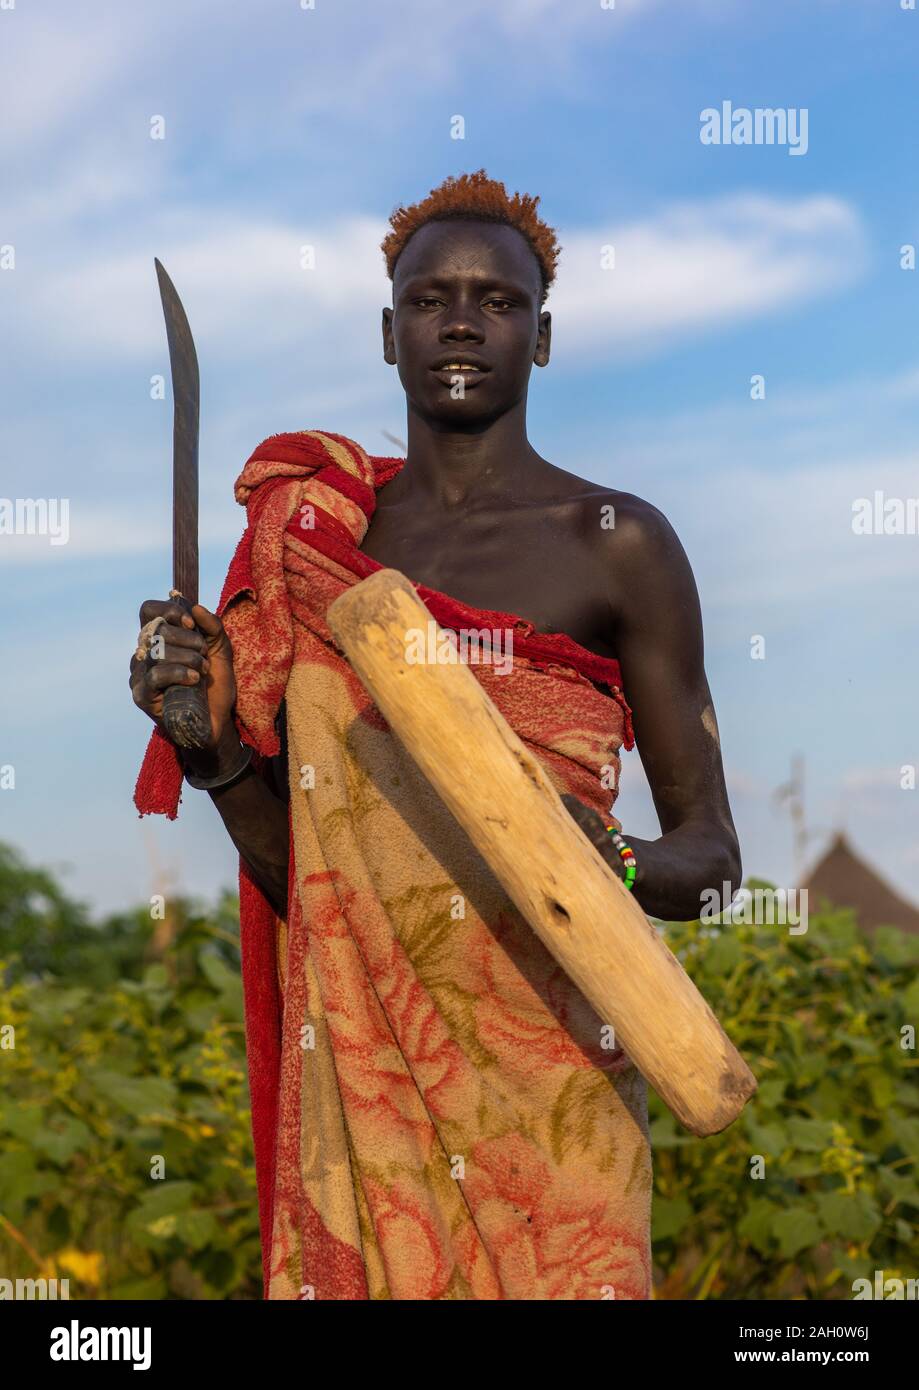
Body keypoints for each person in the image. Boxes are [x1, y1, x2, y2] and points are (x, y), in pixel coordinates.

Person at [131, 170, 741, 1300]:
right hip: (371, 1089)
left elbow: (710, 864)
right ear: (388, 331)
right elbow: (302, 873)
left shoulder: (614, 544)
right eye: (431, 298)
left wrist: (592, 856)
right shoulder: (321, 555)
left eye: (497, 301)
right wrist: (215, 753)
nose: (462, 321)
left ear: (542, 339)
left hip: (559, 1089)